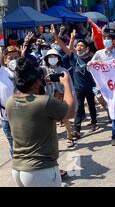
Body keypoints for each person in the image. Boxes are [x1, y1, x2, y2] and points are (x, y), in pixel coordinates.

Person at [6, 58, 76, 187]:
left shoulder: (10, 101)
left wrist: (39, 86)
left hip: (18, 168)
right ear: (36, 82)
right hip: (40, 169)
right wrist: (66, 84)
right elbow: (70, 112)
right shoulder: (44, 102)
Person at [52, 28, 99, 139]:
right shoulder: (74, 58)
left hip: (90, 87)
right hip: (78, 88)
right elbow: (63, 46)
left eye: (82, 46)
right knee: (79, 108)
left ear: (87, 48)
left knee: (91, 105)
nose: (79, 47)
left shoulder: (91, 59)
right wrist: (55, 35)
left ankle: (94, 122)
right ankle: (77, 130)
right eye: (78, 46)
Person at [89, 31, 115, 146]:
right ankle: (114, 134)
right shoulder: (99, 53)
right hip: (105, 87)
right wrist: (93, 62)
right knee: (112, 108)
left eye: (109, 39)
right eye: (105, 39)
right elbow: (90, 66)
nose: (107, 41)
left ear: (114, 41)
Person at [41, 49, 76, 148]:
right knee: (50, 121)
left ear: (58, 58)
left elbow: (70, 86)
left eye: (54, 57)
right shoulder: (43, 70)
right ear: (47, 59)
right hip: (48, 99)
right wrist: (45, 81)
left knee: (65, 119)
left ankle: (69, 137)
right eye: (50, 57)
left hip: (61, 97)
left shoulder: (63, 71)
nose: (52, 59)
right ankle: (52, 142)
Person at [0, 47, 17, 157]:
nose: (14, 60)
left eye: (16, 57)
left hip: (23, 115)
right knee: (13, 145)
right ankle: (17, 171)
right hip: (6, 118)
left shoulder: (16, 73)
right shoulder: (3, 72)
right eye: (10, 58)